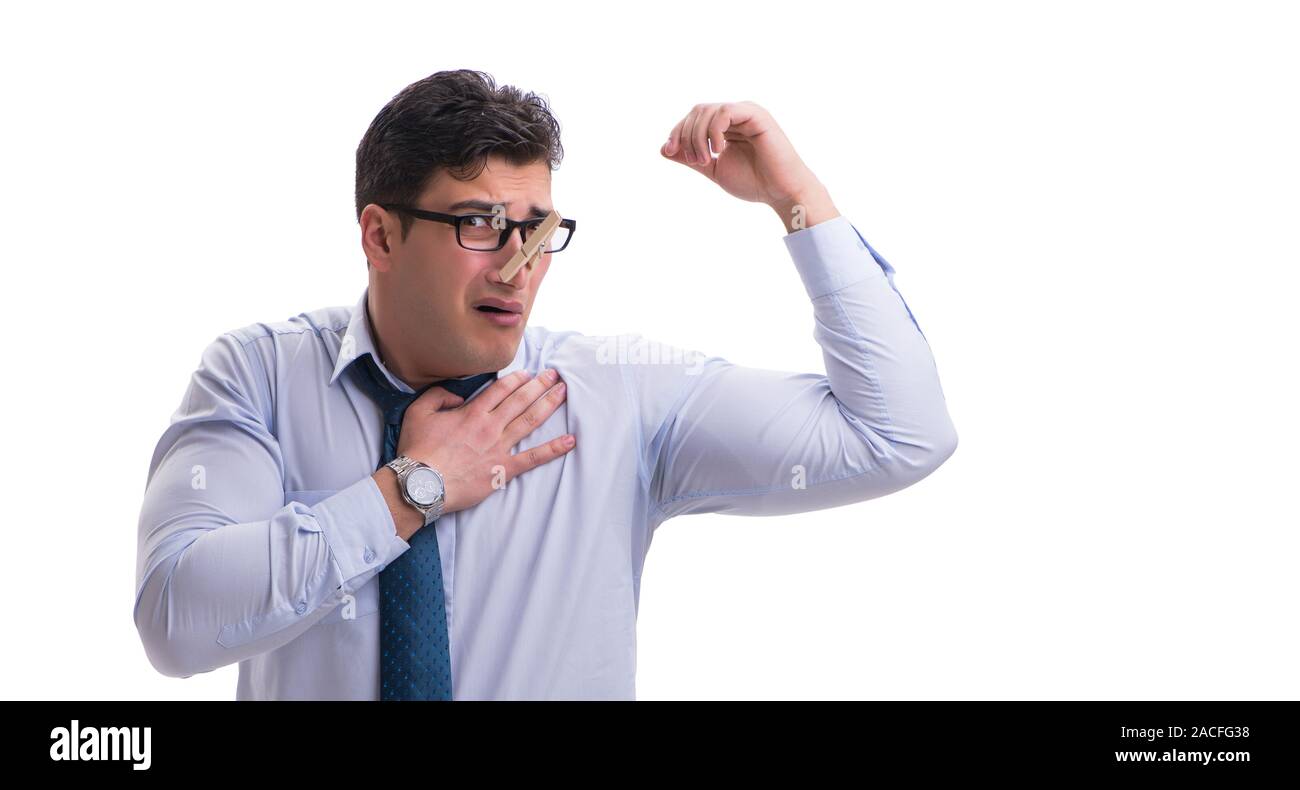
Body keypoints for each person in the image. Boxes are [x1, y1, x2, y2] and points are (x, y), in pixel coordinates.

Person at [133, 69, 958, 700]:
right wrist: (409, 491)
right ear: (380, 236)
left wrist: (796, 199)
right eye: (480, 225)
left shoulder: (619, 396)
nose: (519, 267)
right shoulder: (259, 377)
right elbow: (176, 618)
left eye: (537, 231)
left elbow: (899, 437)